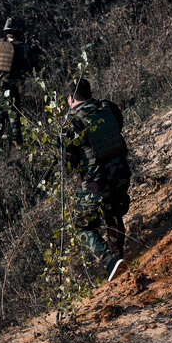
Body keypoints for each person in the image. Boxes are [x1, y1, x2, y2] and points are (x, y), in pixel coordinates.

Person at [64, 77, 131, 281]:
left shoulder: (72, 121)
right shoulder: (108, 107)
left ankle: (109, 260)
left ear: (70, 98)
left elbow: (69, 160)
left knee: (81, 225)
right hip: (121, 172)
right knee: (112, 212)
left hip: (96, 181)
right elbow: (117, 127)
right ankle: (119, 259)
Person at [0, 17, 42, 158]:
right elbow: (33, 67)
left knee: (15, 119)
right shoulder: (23, 48)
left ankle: (20, 152)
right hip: (8, 90)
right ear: (21, 32)